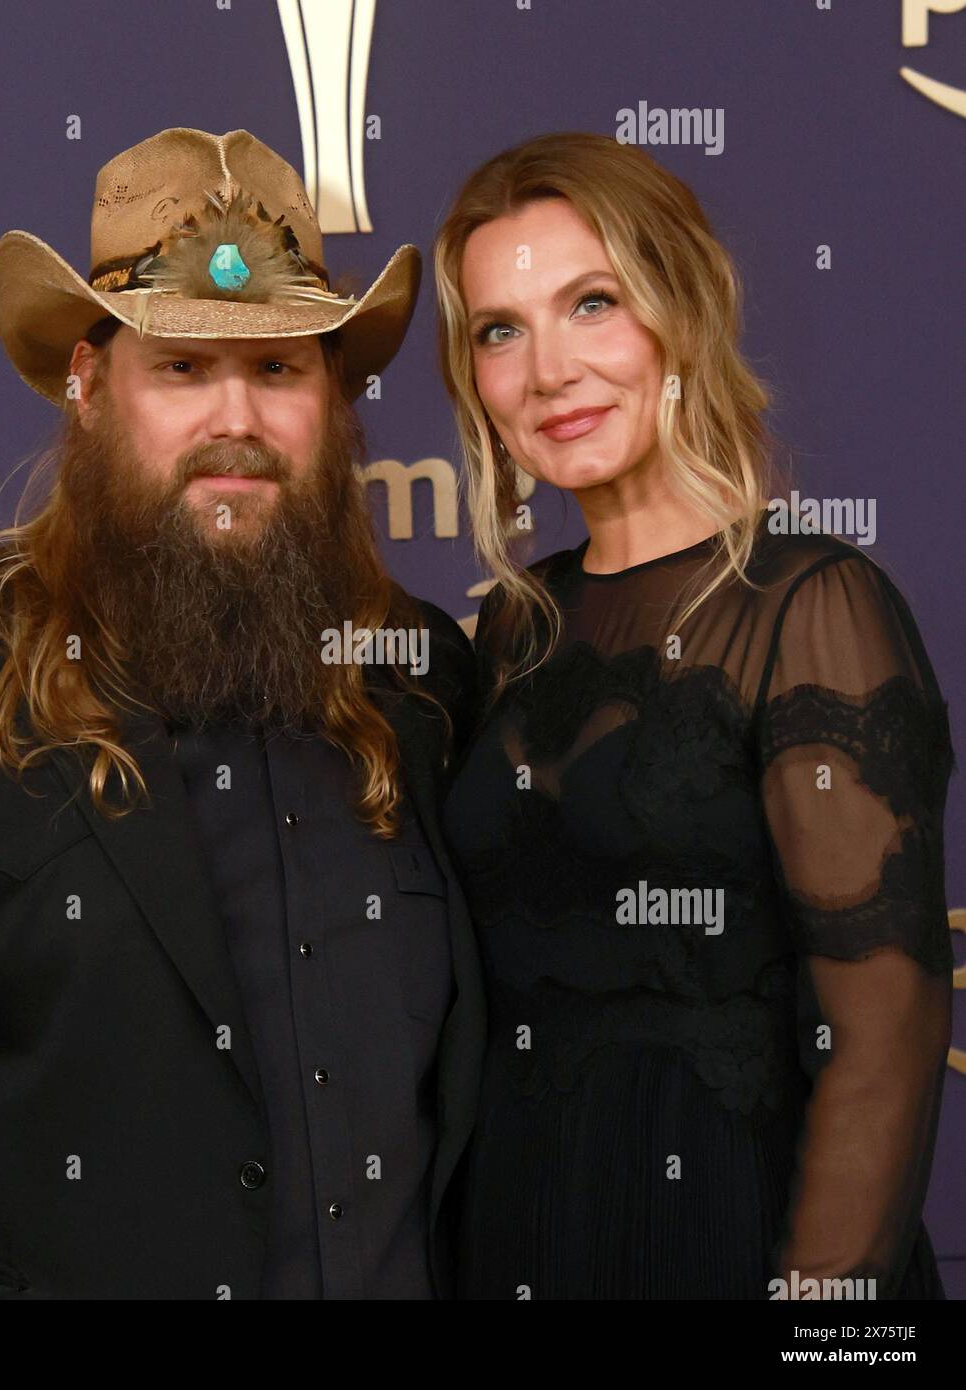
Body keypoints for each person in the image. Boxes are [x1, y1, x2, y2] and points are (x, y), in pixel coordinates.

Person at [0, 126, 484, 1300]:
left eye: (276, 370)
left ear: (335, 403)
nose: (237, 422)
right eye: (180, 367)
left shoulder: (416, 679)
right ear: (88, 386)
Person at [432, 131, 954, 1299]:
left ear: (681, 314)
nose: (546, 371)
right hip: (517, 1234)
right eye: (498, 331)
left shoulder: (809, 605)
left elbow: (883, 1040)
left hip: (732, 1233)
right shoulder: (511, 634)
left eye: (591, 303)